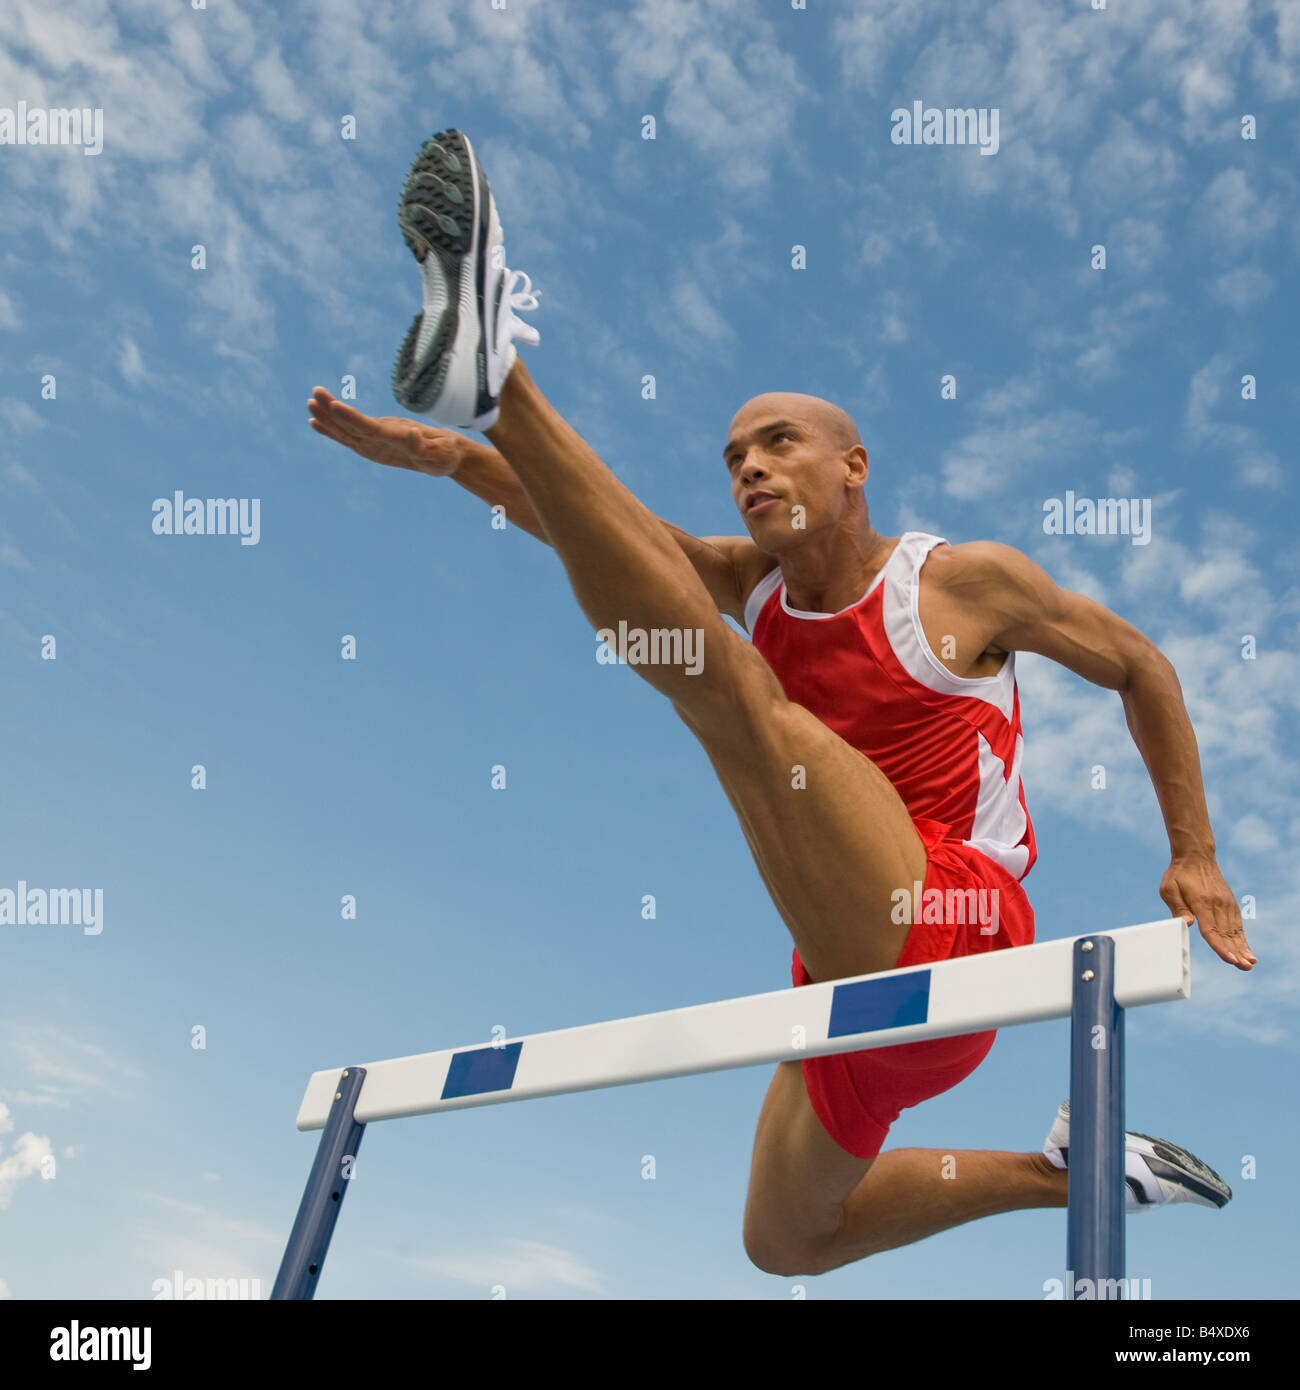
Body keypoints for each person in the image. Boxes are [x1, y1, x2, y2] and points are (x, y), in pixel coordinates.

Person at [307, 129, 1249, 1279]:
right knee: (784, 1240)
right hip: (837, 958)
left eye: (779, 442)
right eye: (733, 456)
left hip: (956, 917)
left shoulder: (958, 585)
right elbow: (608, 531)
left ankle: (500, 378)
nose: (750, 467)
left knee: (736, 699)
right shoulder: (748, 584)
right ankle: (1073, 1170)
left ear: (853, 465)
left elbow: (1140, 665)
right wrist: (454, 467)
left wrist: (1191, 852)